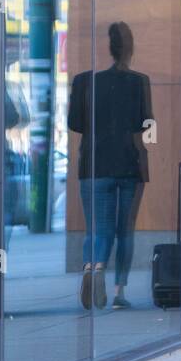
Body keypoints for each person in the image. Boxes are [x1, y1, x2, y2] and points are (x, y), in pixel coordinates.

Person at [68, 21, 152, 311]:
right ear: (129, 49)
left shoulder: (82, 81)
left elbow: (74, 124)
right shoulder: (138, 81)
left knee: (96, 229)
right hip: (128, 162)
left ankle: (94, 267)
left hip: (93, 163)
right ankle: (119, 292)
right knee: (124, 230)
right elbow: (145, 122)